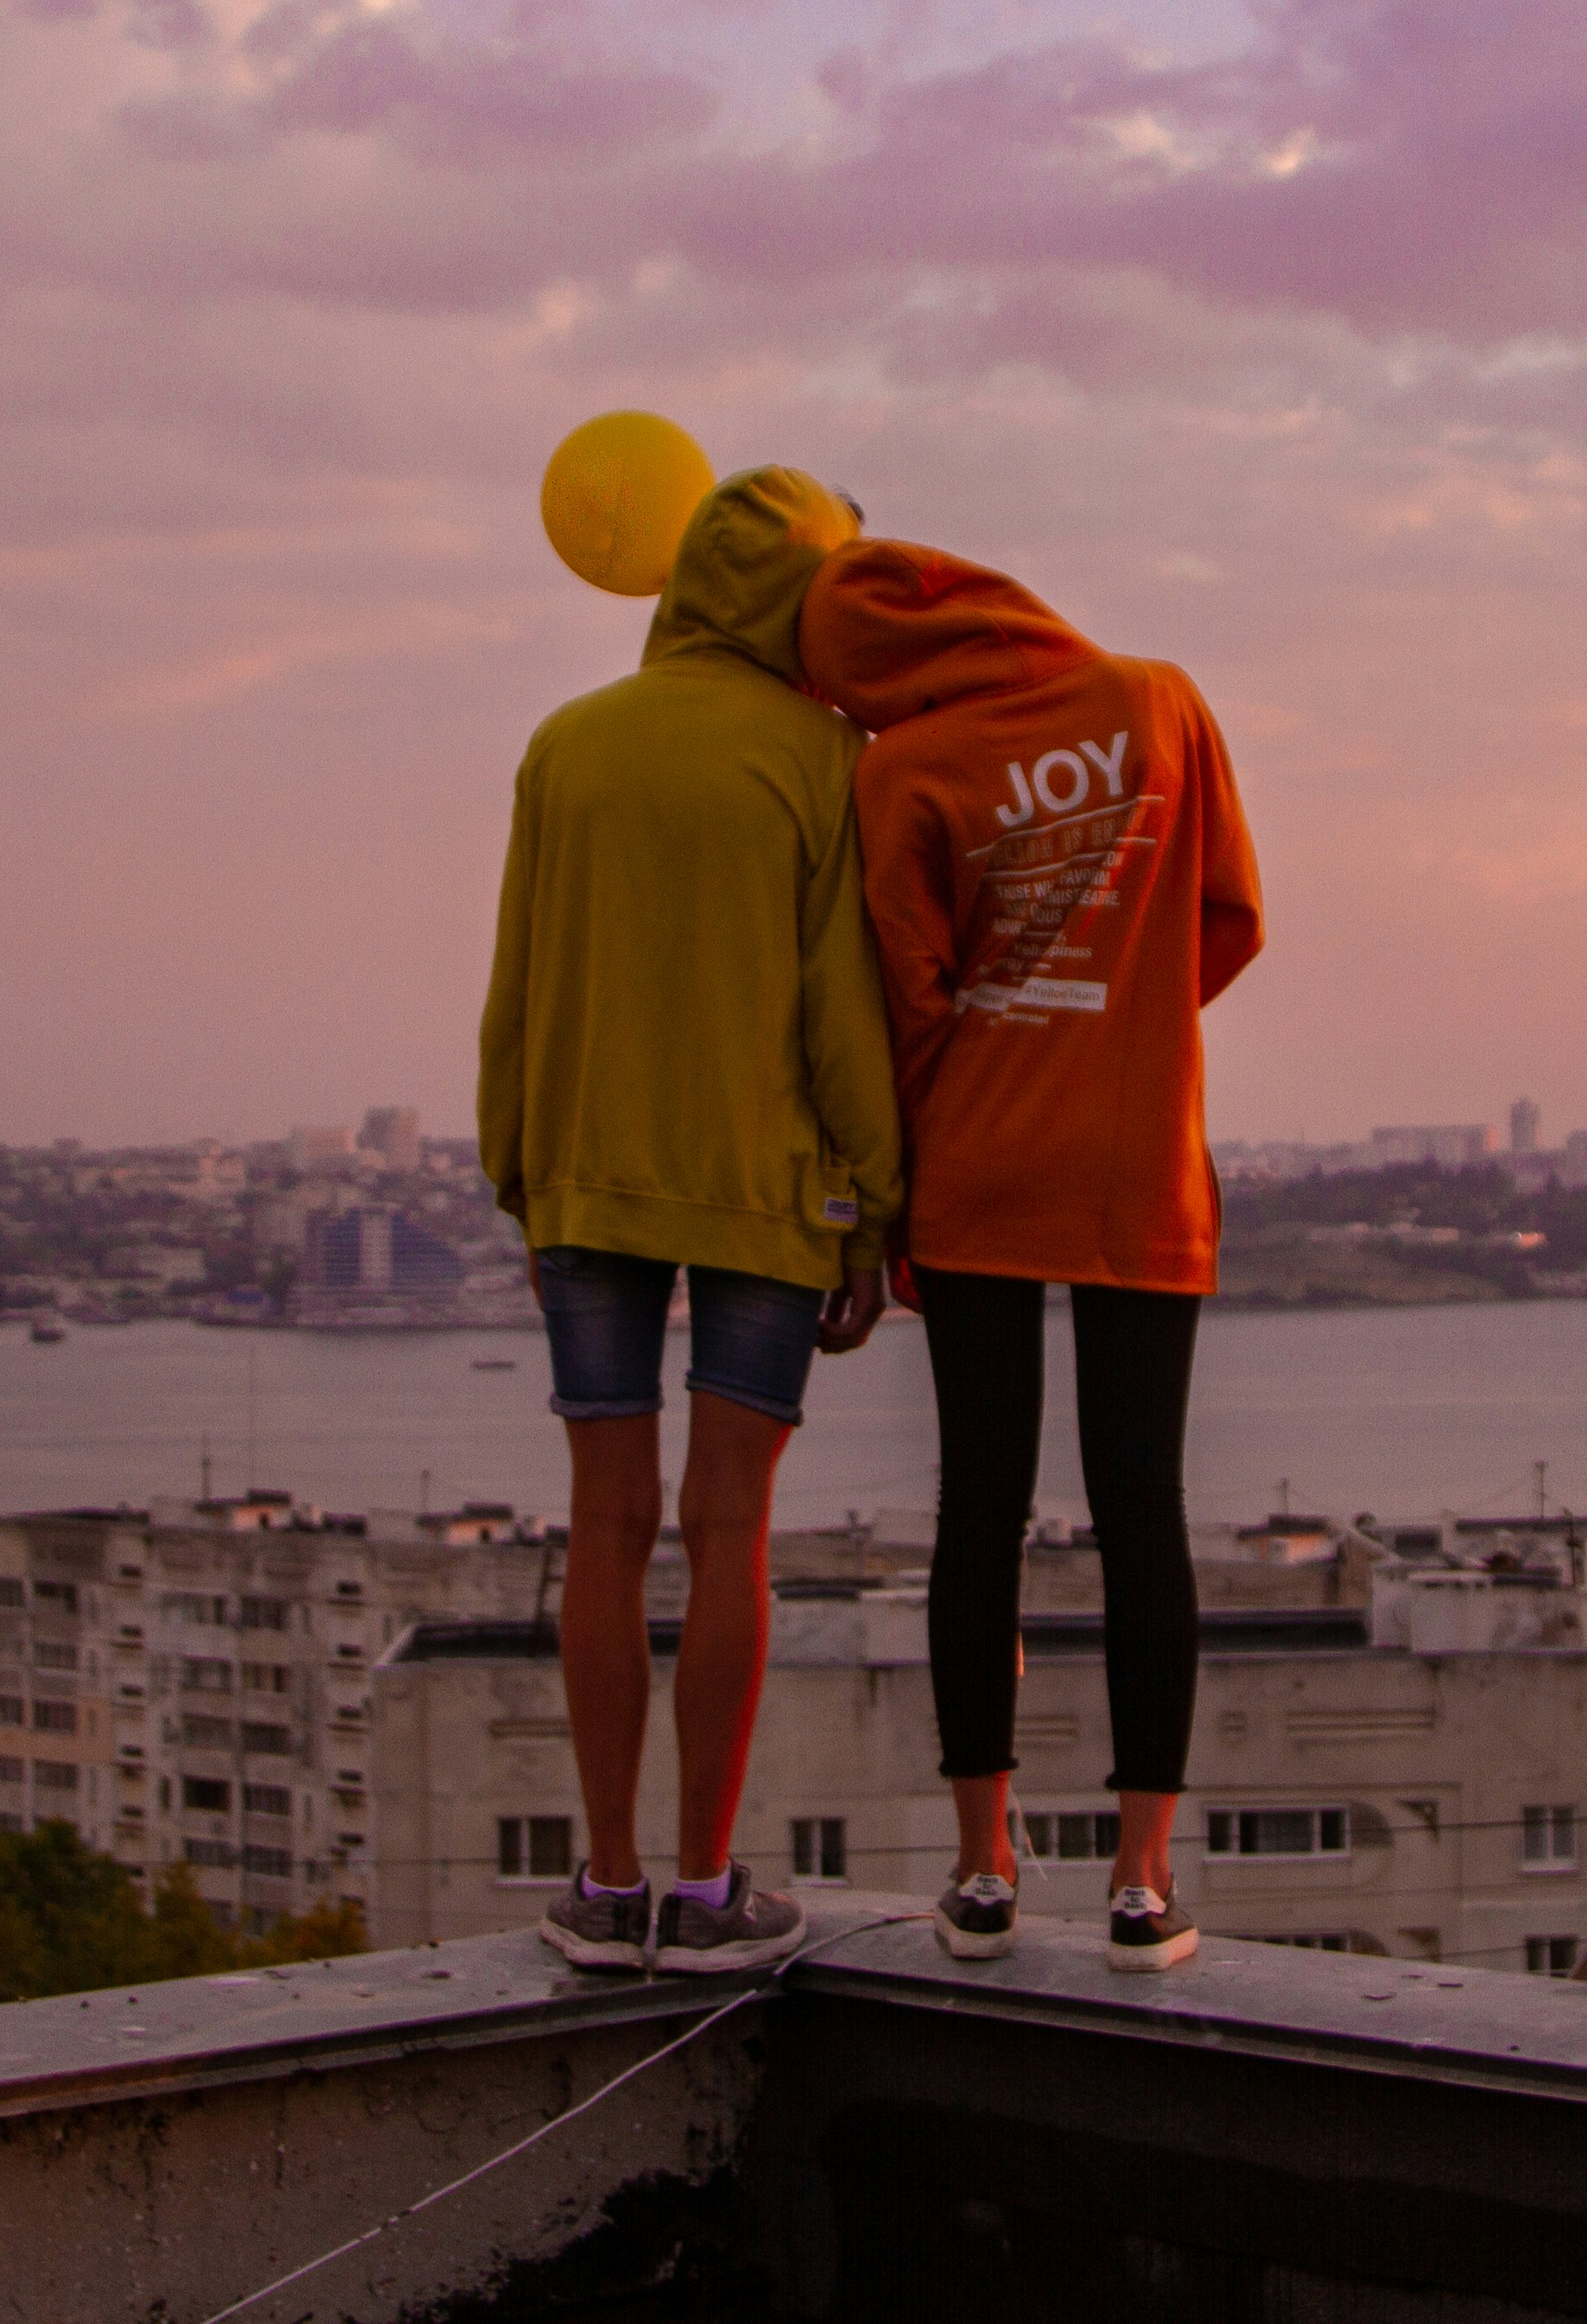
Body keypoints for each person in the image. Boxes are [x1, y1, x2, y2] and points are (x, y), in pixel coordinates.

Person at [802, 540, 1260, 1970]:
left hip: (982, 1159)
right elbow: (1230, 923)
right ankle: (1141, 1883)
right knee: (1145, 1512)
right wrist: (1115, 1024)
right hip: (1135, 1158)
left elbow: (912, 995)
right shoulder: (1162, 701)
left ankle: (984, 1870)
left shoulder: (897, 773)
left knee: (979, 1512)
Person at [478, 464, 901, 1975]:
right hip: (765, 1195)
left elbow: (518, 984)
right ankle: (710, 1893)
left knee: (606, 1525)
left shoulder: (566, 746)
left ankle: (604, 1887)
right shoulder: (820, 754)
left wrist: (521, 1173)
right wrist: (877, 1210)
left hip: (585, 1179)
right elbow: (841, 1013)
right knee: (734, 1535)